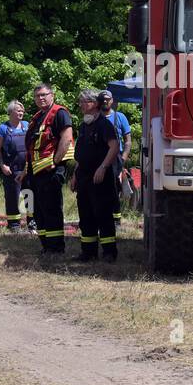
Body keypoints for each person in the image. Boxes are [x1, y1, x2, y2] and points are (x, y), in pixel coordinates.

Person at [21, 82, 73, 254]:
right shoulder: (37, 117)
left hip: (50, 171)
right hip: (35, 171)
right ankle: (46, 246)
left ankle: (56, 248)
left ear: (52, 95)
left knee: (52, 210)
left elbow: (66, 138)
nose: (41, 98)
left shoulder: (59, 113)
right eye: (38, 96)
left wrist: (55, 162)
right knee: (39, 211)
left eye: (44, 94)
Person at [71, 90, 119, 262]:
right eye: (80, 102)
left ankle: (109, 253)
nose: (81, 105)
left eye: (84, 101)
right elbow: (80, 154)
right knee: (86, 215)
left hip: (100, 178)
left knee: (103, 214)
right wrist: (75, 175)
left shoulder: (104, 125)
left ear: (95, 103)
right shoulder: (84, 125)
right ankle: (88, 252)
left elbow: (114, 146)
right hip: (83, 177)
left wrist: (103, 167)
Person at [0, 100, 31, 231]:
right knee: (13, 198)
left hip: (26, 169)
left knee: (29, 196)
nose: (21, 112)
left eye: (22, 110)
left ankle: (31, 223)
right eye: (18, 110)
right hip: (12, 170)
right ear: (10, 112)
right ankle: (14, 225)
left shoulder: (27, 125)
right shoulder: (3, 128)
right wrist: (2, 165)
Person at [98, 89, 131, 225]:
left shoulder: (120, 117)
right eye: (102, 99)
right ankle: (101, 217)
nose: (105, 101)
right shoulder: (95, 117)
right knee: (98, 188)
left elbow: (128, 140)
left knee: (114, 188)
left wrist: (122, 159)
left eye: (107, 99)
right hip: (98, 157)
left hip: (116, 159)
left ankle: (116, 220)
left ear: (112, 101)